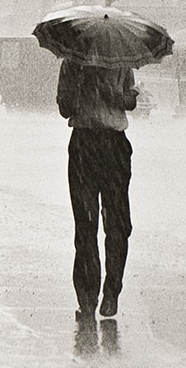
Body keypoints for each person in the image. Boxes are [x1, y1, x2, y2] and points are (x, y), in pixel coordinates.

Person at [56, 57, 136, 319]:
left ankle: (112, 291)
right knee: (86, 224)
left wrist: (115, 94)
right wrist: (83, 87)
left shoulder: (122, 62)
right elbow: (65, 107)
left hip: (114, 145)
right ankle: (88, 296)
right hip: (84, 143)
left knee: (118, 224)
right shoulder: (72, 63)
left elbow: (130, 101)